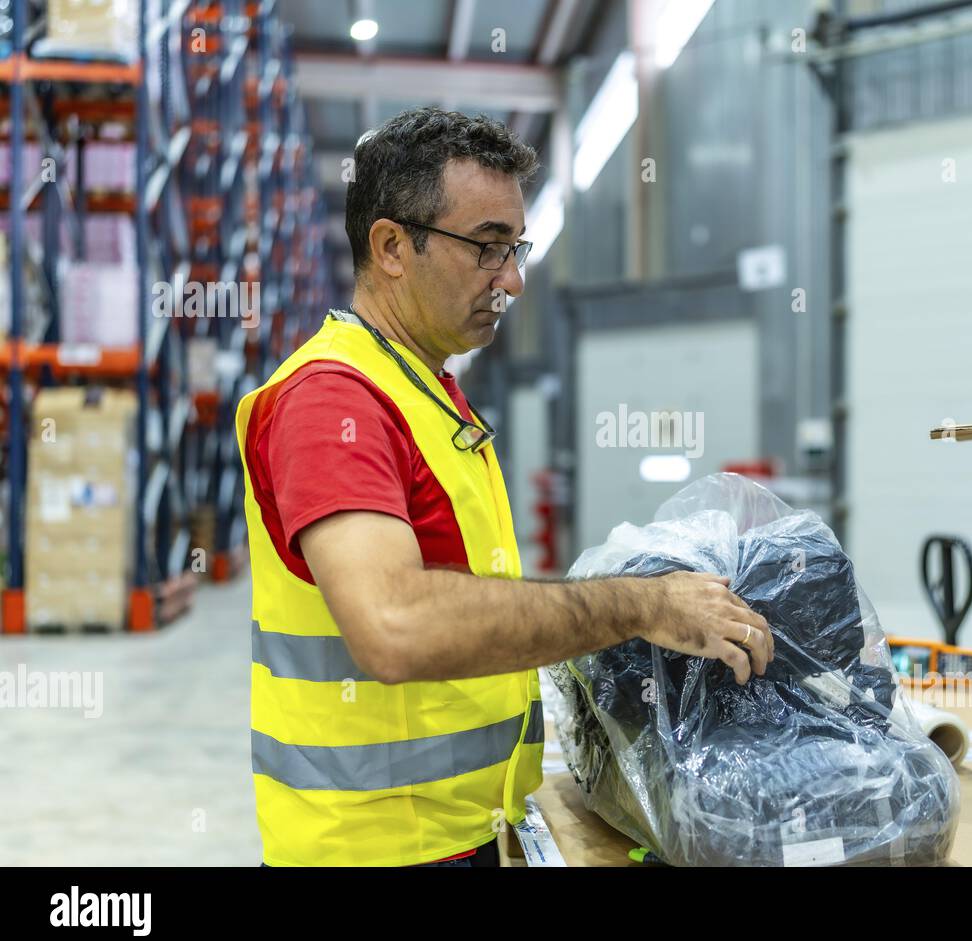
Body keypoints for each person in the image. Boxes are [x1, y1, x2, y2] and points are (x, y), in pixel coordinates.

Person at [235, 108, 773, 867]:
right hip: (379, 852)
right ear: (391, 246)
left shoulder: (425, 394)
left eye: (513, 248)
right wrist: (641, 606)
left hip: (467, 836)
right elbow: (395, 624)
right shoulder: (333, 402)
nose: (513, 279)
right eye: (488, 249)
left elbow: (468, 606)